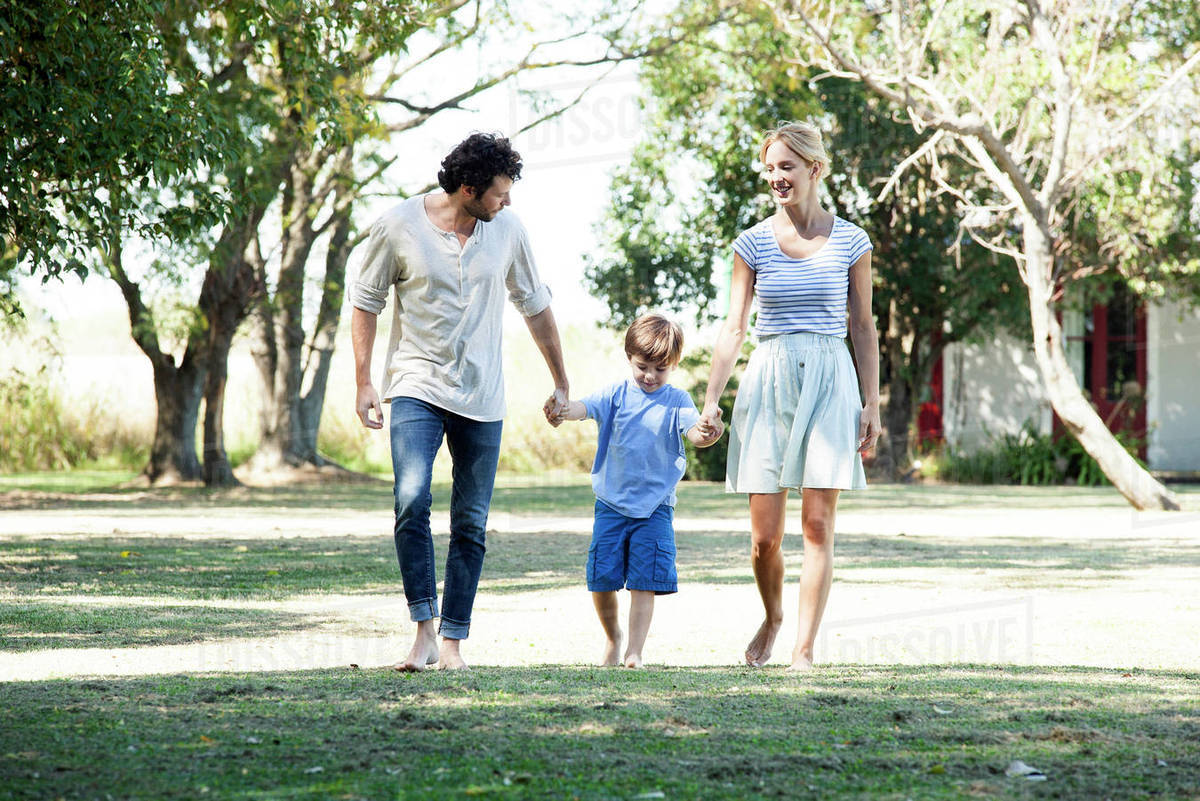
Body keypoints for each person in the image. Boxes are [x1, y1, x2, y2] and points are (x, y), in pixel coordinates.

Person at [351, 132, 570, 672]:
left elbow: (535, 305)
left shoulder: (508, 230)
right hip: (415, 386)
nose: (508, 201)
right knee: (411, 500)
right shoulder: (399, 225)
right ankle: (422, 630)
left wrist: (561, 381)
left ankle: (452, 643)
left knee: (470, 521)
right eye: (499, 193)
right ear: (468, 189)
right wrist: (362, 382)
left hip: (482, 394)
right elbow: (365, 302)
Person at [698, 121, 881, 671]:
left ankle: (803, 648)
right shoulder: (751, 243)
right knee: (765, 538)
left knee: (818, 526)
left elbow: (864, 326)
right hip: (770, 375)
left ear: (814, 170)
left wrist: (871, 402)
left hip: (830, 376)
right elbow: (733, 328)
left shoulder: (852, 240)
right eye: (770, 168)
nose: (776, 177)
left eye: (787, 167)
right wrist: (712, 400)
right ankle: (774, 616)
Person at [547, 314, 723, 668]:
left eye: (660, 369)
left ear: (673, 365)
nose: (649, 376)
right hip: (611, 504)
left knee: (645, 581)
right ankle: (614, 639)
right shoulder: (614, 394)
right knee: (601, 580)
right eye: (643, 366)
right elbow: (582, 408)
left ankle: (634, 652)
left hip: (655, 508)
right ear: (629, 357)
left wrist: (708, 432)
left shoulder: (677, 400)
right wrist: (563, 409)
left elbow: (694, 432)